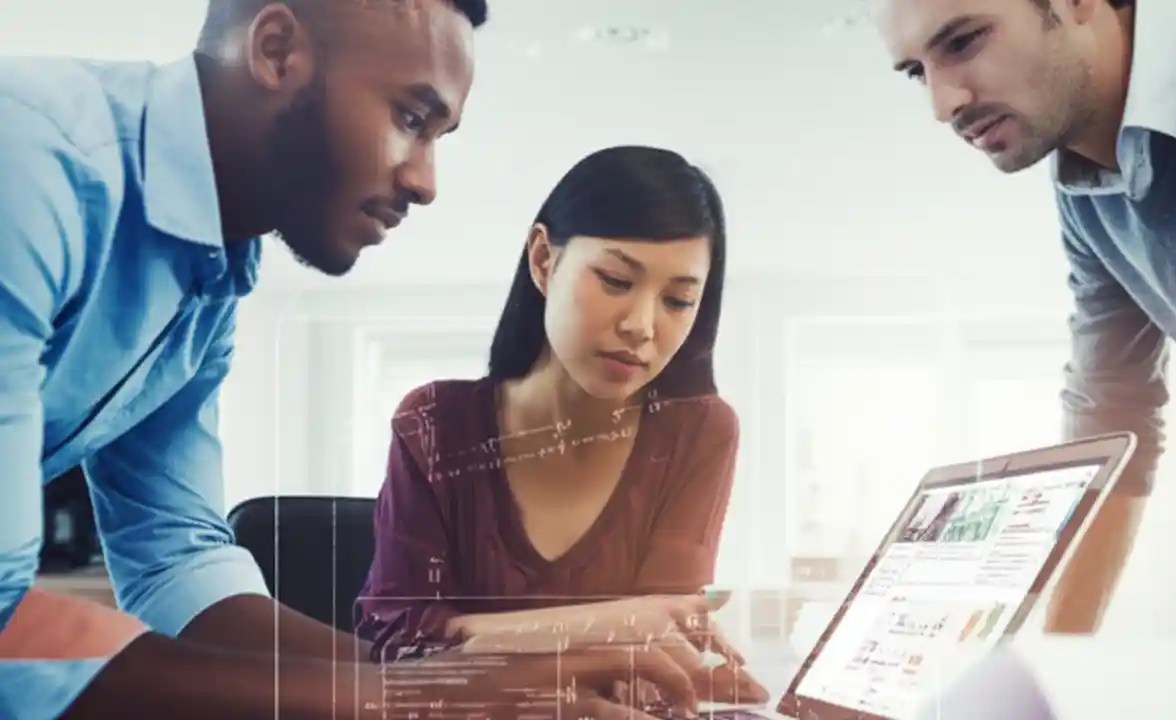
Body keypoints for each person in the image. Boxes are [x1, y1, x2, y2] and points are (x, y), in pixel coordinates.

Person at [0, 2, 709, 718]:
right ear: (276, 51)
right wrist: (431, 699)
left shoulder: (211, 281)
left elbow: (176, 567)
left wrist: (486, 684)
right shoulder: (32, 162)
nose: (426, 182)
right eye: (410, 118)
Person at [874, 0, 1176, 638]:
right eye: (916, 72)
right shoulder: (1085, 189)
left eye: (963, 41)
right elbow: (1113, 411)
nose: (943, 103)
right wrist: (1055, 664)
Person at [355, 145, 769, 707]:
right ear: (544, 259)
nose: (641, 327)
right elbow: (396, 643)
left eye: (678, 300)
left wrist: (477, 636)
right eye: (617, 281)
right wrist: (613, 624)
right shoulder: (433, 424)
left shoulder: (697, 432)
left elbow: (653, 657)